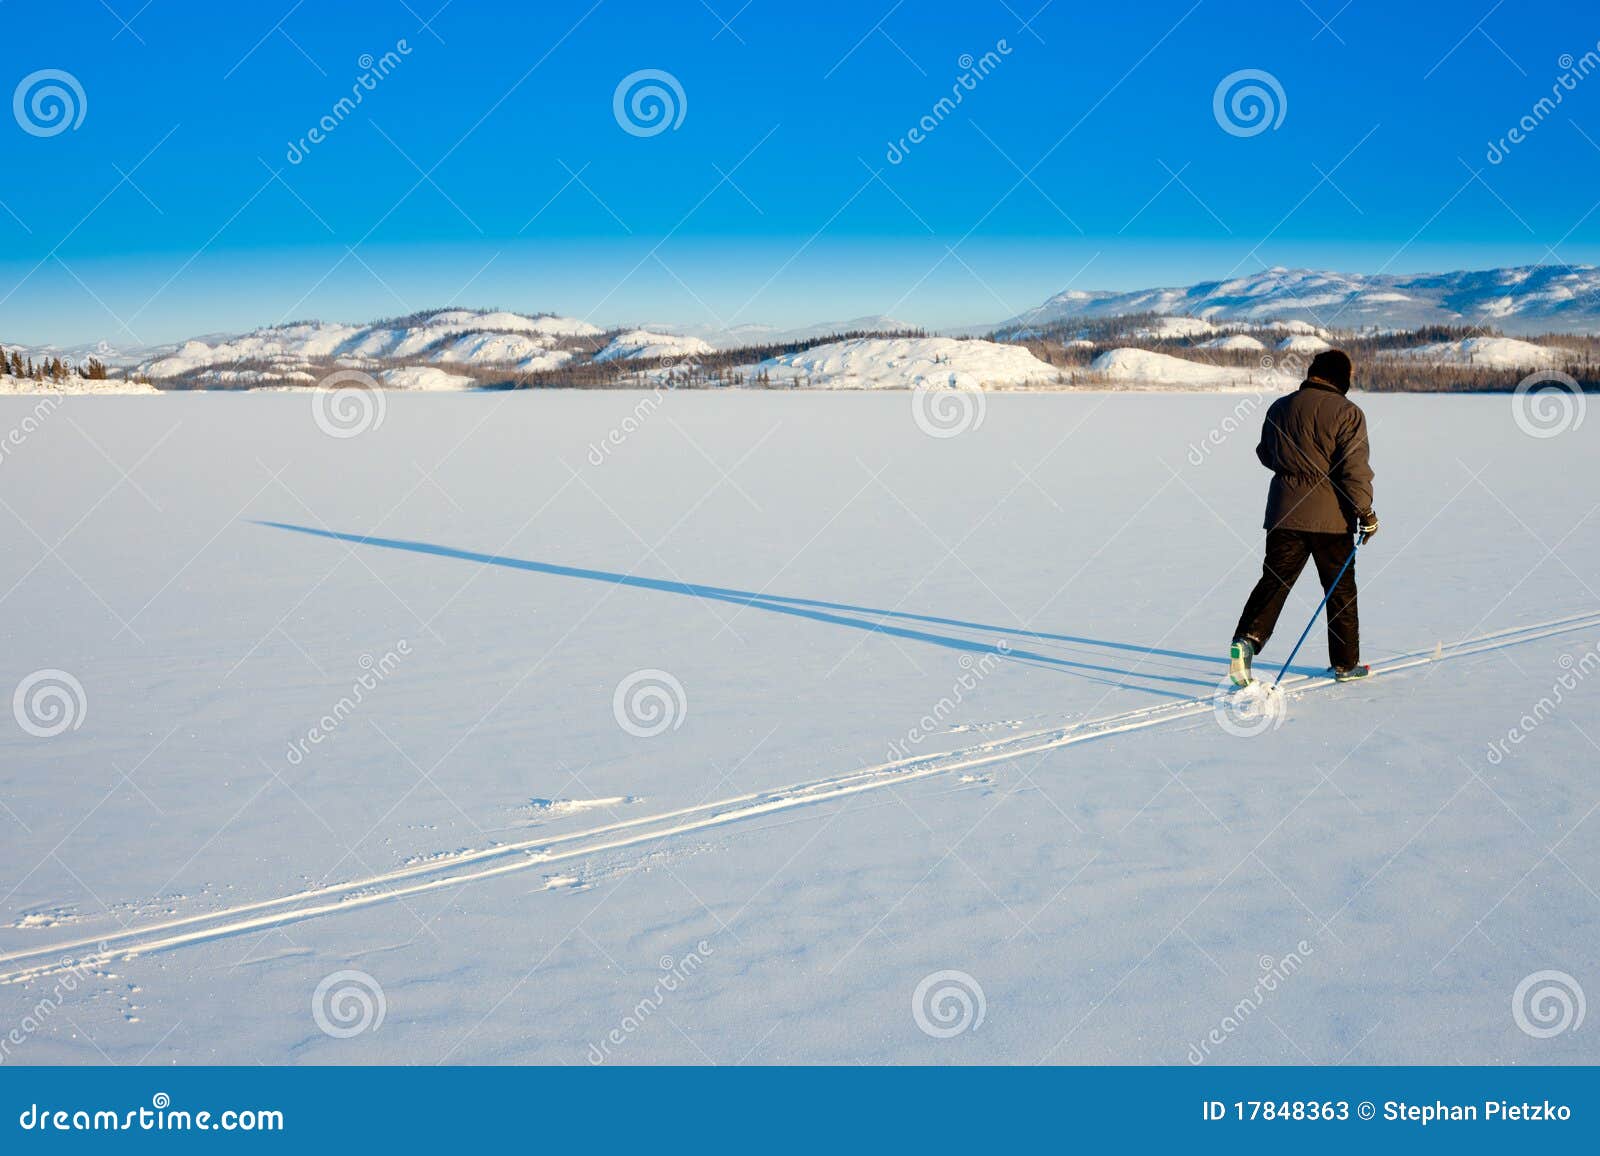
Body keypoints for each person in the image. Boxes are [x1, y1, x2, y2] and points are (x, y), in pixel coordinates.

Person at [1229, 348, 1379, 686]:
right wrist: (1366, 513)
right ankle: (1345, 664)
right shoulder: (1348, 413)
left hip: (1283, 513)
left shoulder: (1279, 407)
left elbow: (1265, 454)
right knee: (1339, 590)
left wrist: (1295, 469)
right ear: (1341, 377)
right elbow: (1354, 471)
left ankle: (1245, 642)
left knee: (1274, 582)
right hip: (1332, 519)